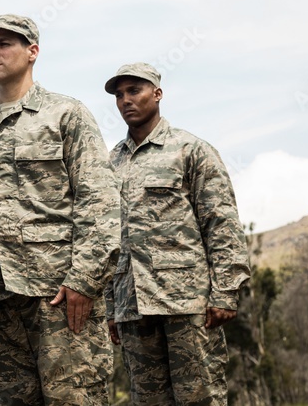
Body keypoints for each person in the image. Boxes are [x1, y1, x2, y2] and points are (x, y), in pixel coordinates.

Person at [0, 15, 120, 405]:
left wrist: (84, 280)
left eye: (4, 44)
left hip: (59, 295)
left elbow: (100, 203)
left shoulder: (65, 115)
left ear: (33, 51)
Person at [103, 62, 251, 406]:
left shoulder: (190, 150)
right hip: (132, 306)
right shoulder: (110, 164)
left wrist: (226, 292)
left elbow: (221, 222)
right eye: (119, 94)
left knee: (199, 398)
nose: (126, 100)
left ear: (157, 94)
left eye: (134, 91)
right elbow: (107, 241)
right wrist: (111, 307)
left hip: (187, 302)